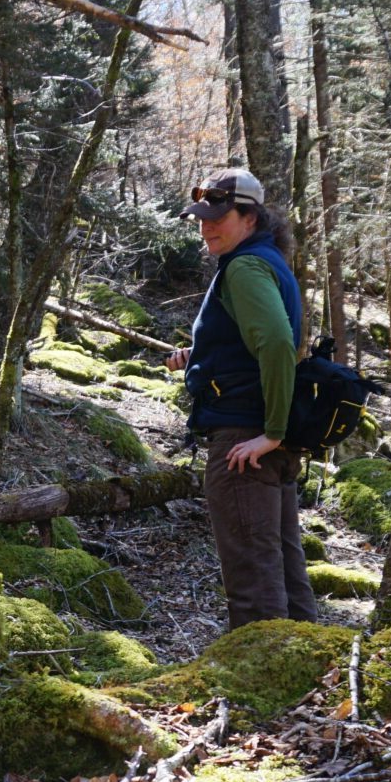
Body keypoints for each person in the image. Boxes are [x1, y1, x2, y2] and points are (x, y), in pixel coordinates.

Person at [166, 169, 320, 627]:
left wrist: (272, 434)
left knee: (255, 583)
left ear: (249, 217)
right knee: (286, 575)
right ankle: (310, 674)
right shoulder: (268, 260)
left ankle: (266, 690)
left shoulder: (246, 266)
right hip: (261, 437)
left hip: (243, 442)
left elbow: (275, 344)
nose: (206, 225)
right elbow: (258, 343)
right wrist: (203, 355)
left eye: (218, 216)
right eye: (200, 217)